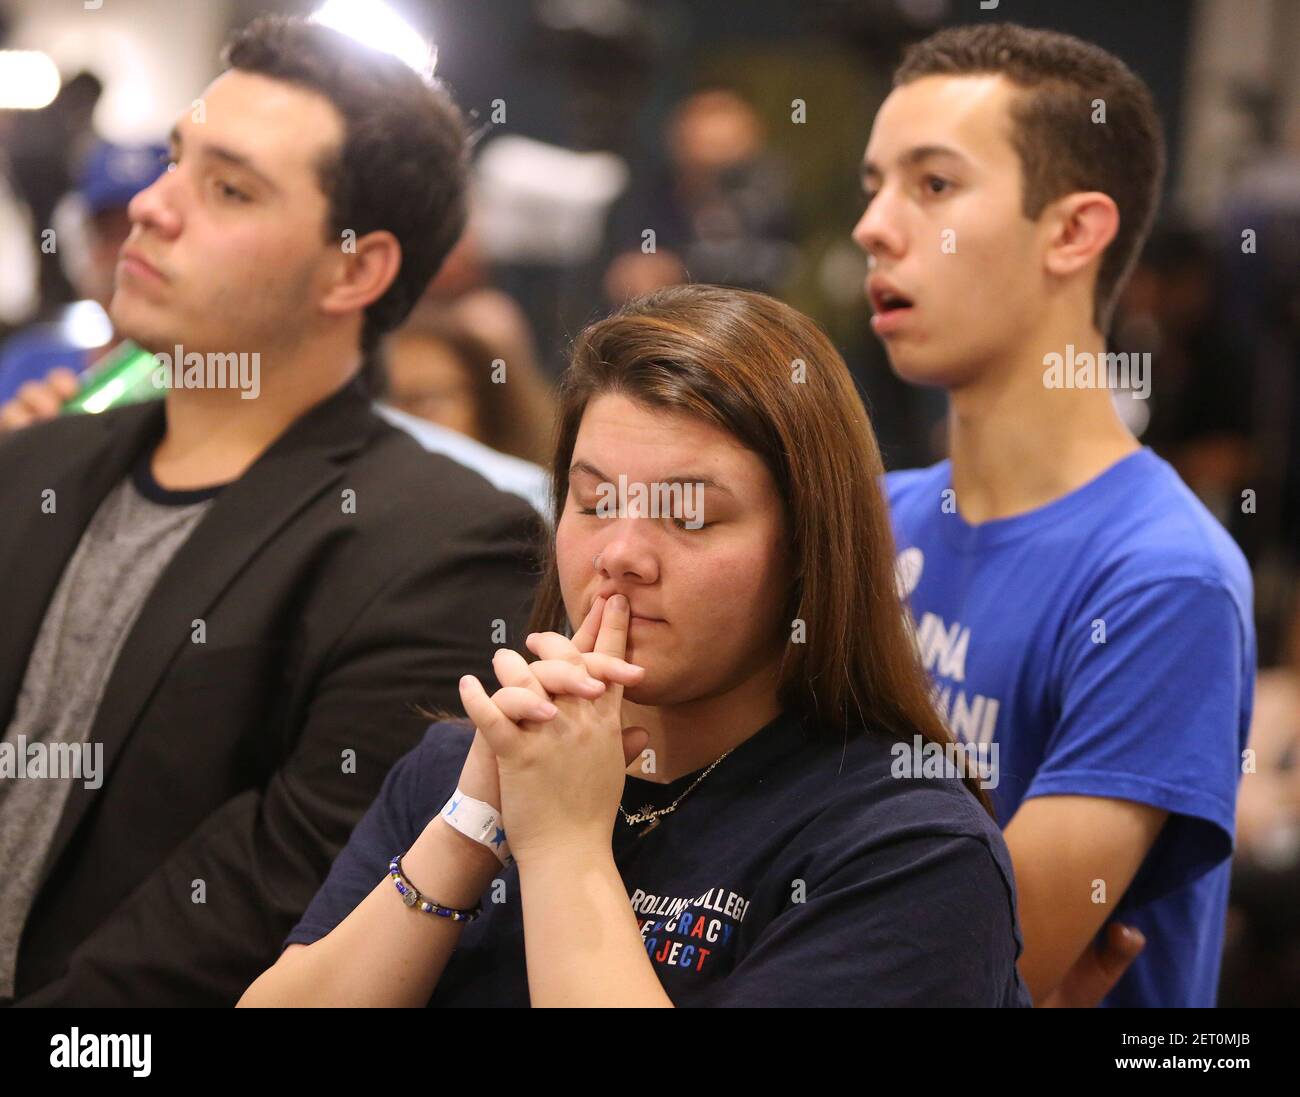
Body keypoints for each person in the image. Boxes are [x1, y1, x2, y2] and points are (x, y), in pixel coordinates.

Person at [239, 284, 1031, 1008]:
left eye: (688, 515)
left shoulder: (909, 851)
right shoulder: (456, 770)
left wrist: (562, 847)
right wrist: (473, 821)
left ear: (807, 549)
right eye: (594, 501)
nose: (620, 553)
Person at [0, 15, 541, 1006]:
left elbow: (247, 923)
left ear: (355, 268)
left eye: (229, 188)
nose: (154, 208)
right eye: (176, 161)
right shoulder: (31, 464)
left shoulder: (442, 547)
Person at [855, 23, 1255, 1006]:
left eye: (932, 185)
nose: (873, 224)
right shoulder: (864, 520)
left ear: (1072, 232)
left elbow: (954, 979)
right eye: (874, 183)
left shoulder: (1163, 579)